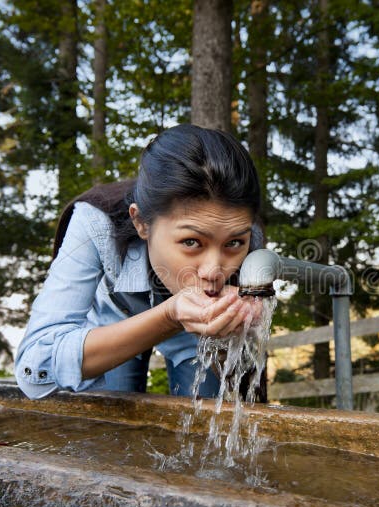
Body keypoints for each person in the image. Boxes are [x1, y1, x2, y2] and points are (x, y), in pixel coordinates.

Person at [15, 124, 264, 400]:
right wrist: (169, 315)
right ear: (141, 223)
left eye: (233, 244)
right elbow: (35, 368)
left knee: (204, 422)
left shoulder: (247, 234)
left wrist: (242, 320)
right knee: (113, 418)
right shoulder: (94, 221)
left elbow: (246, 373)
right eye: (191, 242)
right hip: (114, 317)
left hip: (195, 335)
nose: (214, 272)